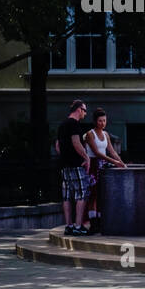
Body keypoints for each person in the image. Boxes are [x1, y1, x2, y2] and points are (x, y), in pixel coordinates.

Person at [83, 109, 126, 233]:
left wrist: (121, 163)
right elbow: (97, 153)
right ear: (95, 121)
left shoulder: (106, 134)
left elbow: (112, 151)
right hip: (93, 165)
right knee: (93, 195)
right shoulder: (90, 134)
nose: (102, 123)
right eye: (100, 121)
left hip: (103, 166)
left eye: (104, 120)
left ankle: (101, 221)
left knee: (102, 195)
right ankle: (93, 223)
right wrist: (114, 162)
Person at [55, 100, 91, 235]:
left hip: (64, 165)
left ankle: (68, 226)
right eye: (85, 110)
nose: (85, 114)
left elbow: (57, 146)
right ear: (79, 109)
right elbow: (76, 143)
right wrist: (86, 158)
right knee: (82, 194)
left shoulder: (62, 125)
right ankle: (77, 226)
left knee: (67, 197)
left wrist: (65, 156)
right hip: (76, 165)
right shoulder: (74, 124)